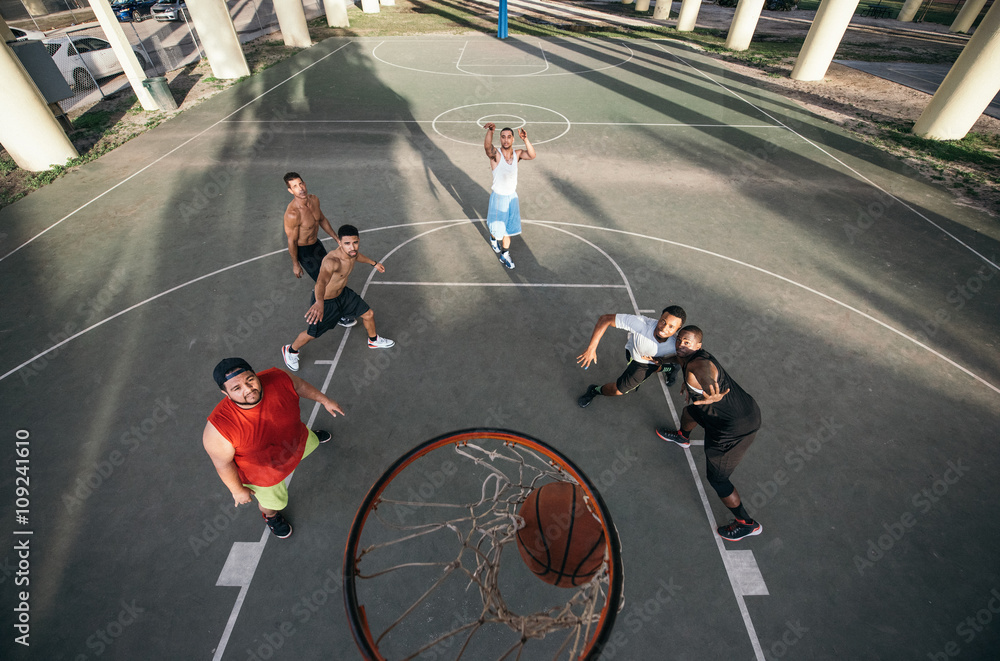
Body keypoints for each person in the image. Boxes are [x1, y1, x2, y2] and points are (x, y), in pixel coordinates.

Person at [202, 357, 345, 538]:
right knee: (274, 504)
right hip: (265, 475)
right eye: (237, 388)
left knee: (312, 441)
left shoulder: (279, 378)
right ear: (226, 393)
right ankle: (270, 516)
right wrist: (237, 490)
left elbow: (299, 386)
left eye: (250, 380)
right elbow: (223, 464)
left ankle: (313, 436)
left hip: (297, 440)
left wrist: (325, 400)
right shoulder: (219, 430)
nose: (248, 389)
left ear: (255, 374)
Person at [655, 326, 763, 542]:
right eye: (680, 341)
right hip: (740, 408)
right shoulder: (686, 357)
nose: (681, 345)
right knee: (691, 411)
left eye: (687, 342)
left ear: (698, 346)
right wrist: (659, 361)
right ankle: (683, 436)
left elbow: (707, 378)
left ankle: (746, 523)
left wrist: (712, 394)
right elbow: (679, 360)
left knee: (718, 478)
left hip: (734, 428)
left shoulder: (701, 364)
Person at [281, 224, 394, 371]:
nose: (352, 247)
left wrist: (374, 263)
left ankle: (373, 340)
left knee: (368, 314)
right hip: (325, 301)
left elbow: (357, 256)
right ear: (339, 243)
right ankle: (290, 350)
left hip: (343, 295)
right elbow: (321, 282)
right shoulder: (332, 261)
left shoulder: (352, 253)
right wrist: (319, 302)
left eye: (355, 242)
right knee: (312, 334)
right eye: (347, 243)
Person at [282, 172, 355, 328]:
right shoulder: (293, 214)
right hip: (305, 252)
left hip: (317, 245)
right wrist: (295, 263)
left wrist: (336, 238)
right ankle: (337, 315)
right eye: (295, 186)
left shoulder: (314, 200)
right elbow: (292, 240)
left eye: (301, 183)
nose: (300, 188)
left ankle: (330, 305)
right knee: (326, 284)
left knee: (333, 275)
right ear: (290, 191)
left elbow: (321, 220)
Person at [576, 306, 687, 408]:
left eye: (671, 326)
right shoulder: (641, 324)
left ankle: (594, 390)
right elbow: (605, 319)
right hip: (632, 352)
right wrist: (591, 348)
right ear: (660, 317)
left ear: (678, 328)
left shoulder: (677, 344)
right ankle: (671, 368)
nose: (664, 328)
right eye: (663, 321)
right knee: (655, 367)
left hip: (645, 365)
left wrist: (686, 380)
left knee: (618, 390)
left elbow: (691, 360)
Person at [483, 123, 536, 270]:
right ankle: (493, 238)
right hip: (499, 199)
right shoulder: (496, 155)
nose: (506, 140)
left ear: (513, 139)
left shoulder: (517, 154)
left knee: (509, 230)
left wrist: (526, 139)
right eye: (503, 137)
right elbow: (487, 148)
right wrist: (490, 132)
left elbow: (532, 155)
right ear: (500, 139)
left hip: (512, 198)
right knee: (497, 231)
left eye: (509, 137)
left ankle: (504, 254)